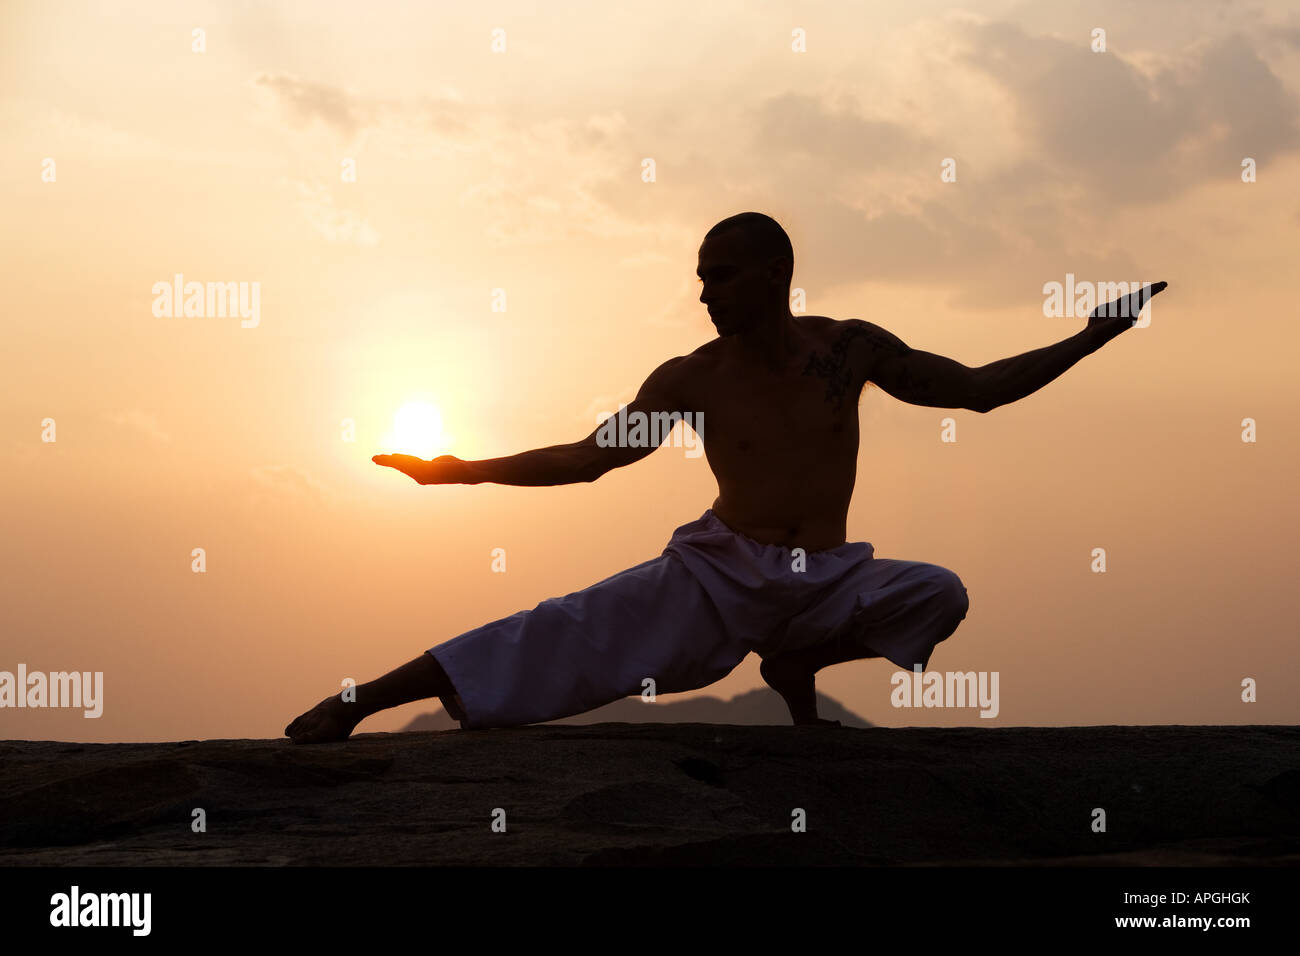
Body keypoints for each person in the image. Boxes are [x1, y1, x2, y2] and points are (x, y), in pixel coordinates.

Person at [286, 211, 1165, 743]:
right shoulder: (691, 378)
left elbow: (978, 392)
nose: (707, 293)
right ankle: (351, 704)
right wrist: (457, 472)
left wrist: (1088, 338)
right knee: (551, 634)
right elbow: (595, 458)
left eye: (723, 275)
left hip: (823, 577)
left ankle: (796, 662)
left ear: (775, 275)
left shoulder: (849, 348)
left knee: (939, 593)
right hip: (716, 572)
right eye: (701, 278)